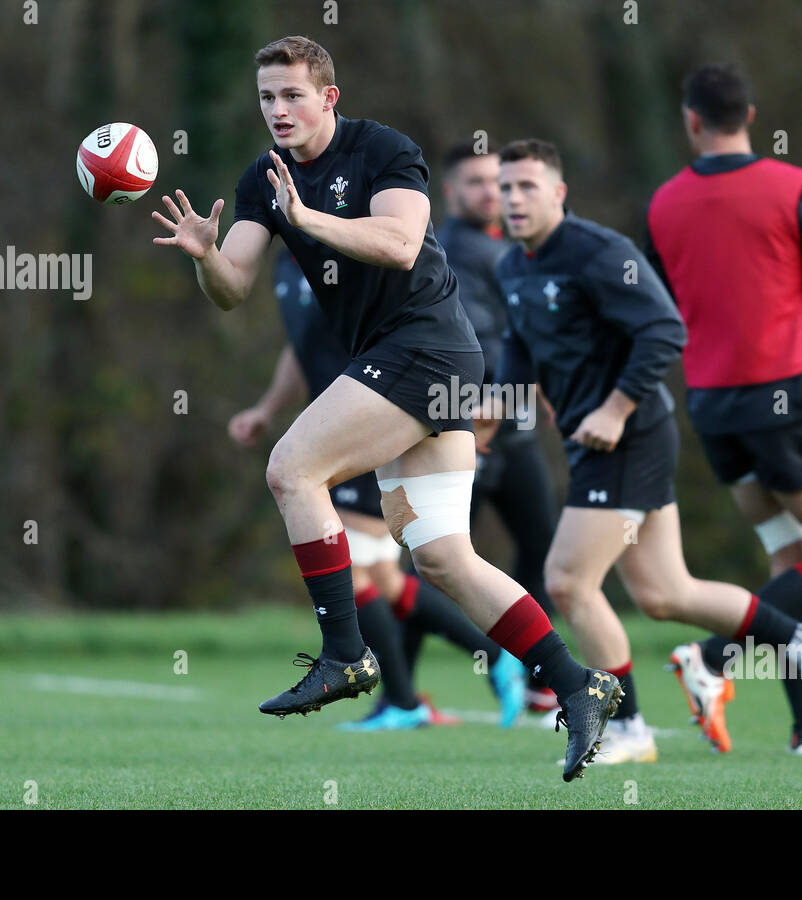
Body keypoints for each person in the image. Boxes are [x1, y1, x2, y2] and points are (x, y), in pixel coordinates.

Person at [152, 35, 618, 781]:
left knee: (292, 471)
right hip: (413, 363)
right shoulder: (261, 181)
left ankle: (345, 654)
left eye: (293, 94)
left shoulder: (383, 150)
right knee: (442, 558)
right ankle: (578, 684)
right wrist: (208, 257)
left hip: (427, 350)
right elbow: (235, 287)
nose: (278, 109)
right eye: (267, 97)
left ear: (329, 97)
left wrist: (307, 220)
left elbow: (401, 244)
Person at [480, 138, 802, 765]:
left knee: (568, 580)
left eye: (527, 187)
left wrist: (614, 407)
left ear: (558, 193)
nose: (513, 199)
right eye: (506, 187)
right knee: (665, 592)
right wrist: (484, 419)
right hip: (590, 442)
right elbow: (519, 351)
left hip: (630, 435)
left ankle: (627, 728)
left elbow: (664, 329)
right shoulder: (513, 267)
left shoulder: (600, 252)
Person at [646, 63, 802, 755]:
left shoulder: (663, 204)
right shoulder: (793, 187)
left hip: (711, 404)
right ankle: (712, 660)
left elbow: (663, 302)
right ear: (750, 115)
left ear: (691, 121)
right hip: (784, 396)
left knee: (790, 557)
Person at [228, 251, 527, 731]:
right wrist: (267, 408)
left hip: (375, 416)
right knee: (383, 577)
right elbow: (300, 344)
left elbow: (431, 324)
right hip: (334, 423)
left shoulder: (351, 242)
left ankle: (410, 696)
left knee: (363, 571)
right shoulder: (288, 259)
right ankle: (481, 662)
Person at [435, 140, 561, 714]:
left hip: (513, 428)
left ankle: (534, 674)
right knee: (437, 557)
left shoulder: (502, 248)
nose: (494, 192)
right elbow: (486, 346)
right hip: (471, 424)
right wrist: (484, 414)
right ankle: (404, 693)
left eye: (502, 183)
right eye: (479, 182)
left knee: (542, 543)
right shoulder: (454, 249)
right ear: (450, 192)